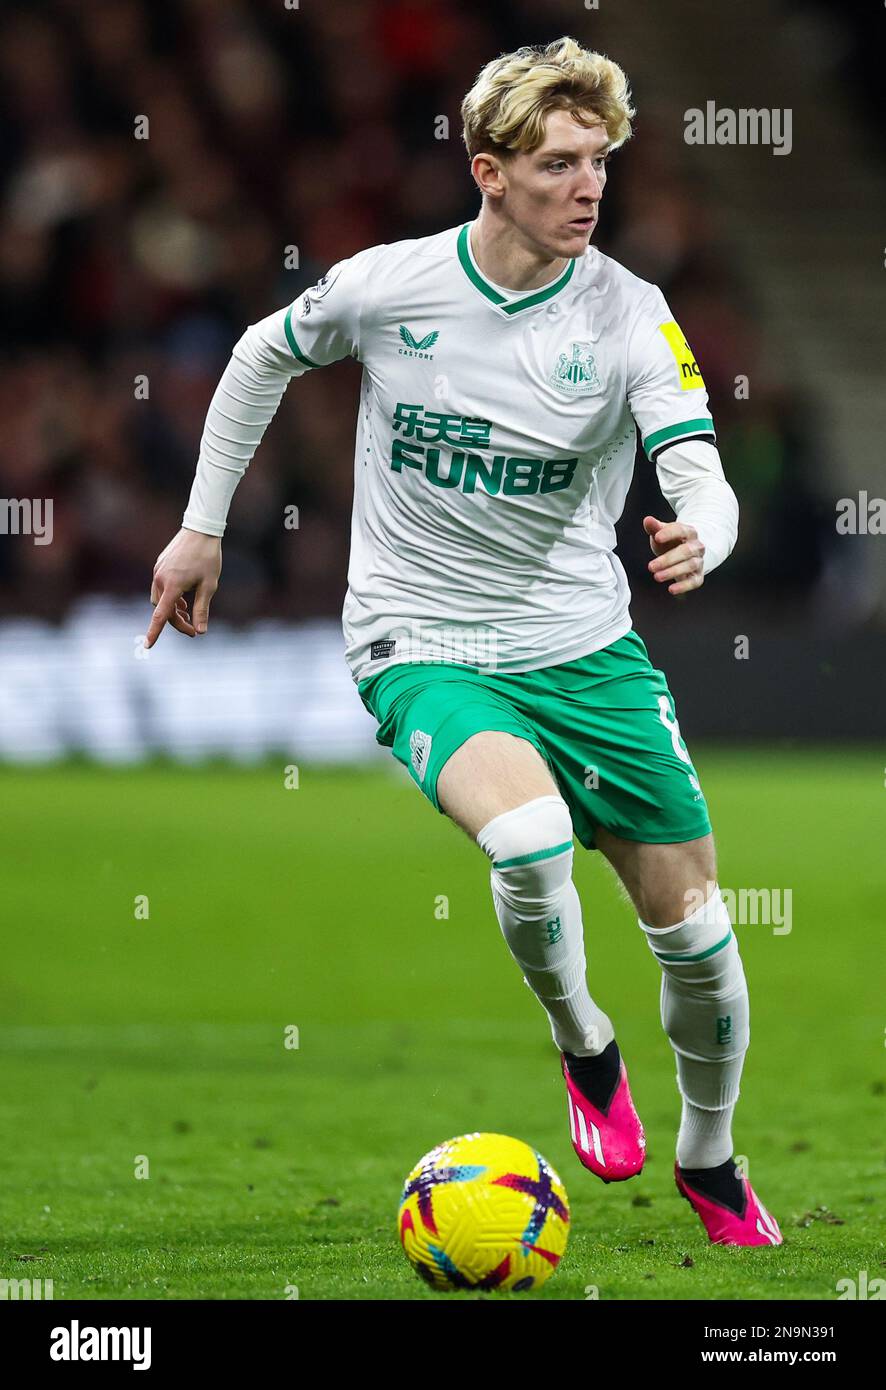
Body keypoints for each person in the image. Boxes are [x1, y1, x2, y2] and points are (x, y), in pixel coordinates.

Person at [147, 36, 781, 1247]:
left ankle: (708, 1154)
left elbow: (699, 468)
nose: (587, 186)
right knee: (532, 838)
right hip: (419, 634)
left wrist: (704, 529)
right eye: (556, 164)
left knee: (700, 937)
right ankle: (584, 1046)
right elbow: (260, 352)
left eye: (597, 160)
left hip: (584, 650)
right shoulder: (392, 286)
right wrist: (198, 529)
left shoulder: (631, 314)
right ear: (488, 172)